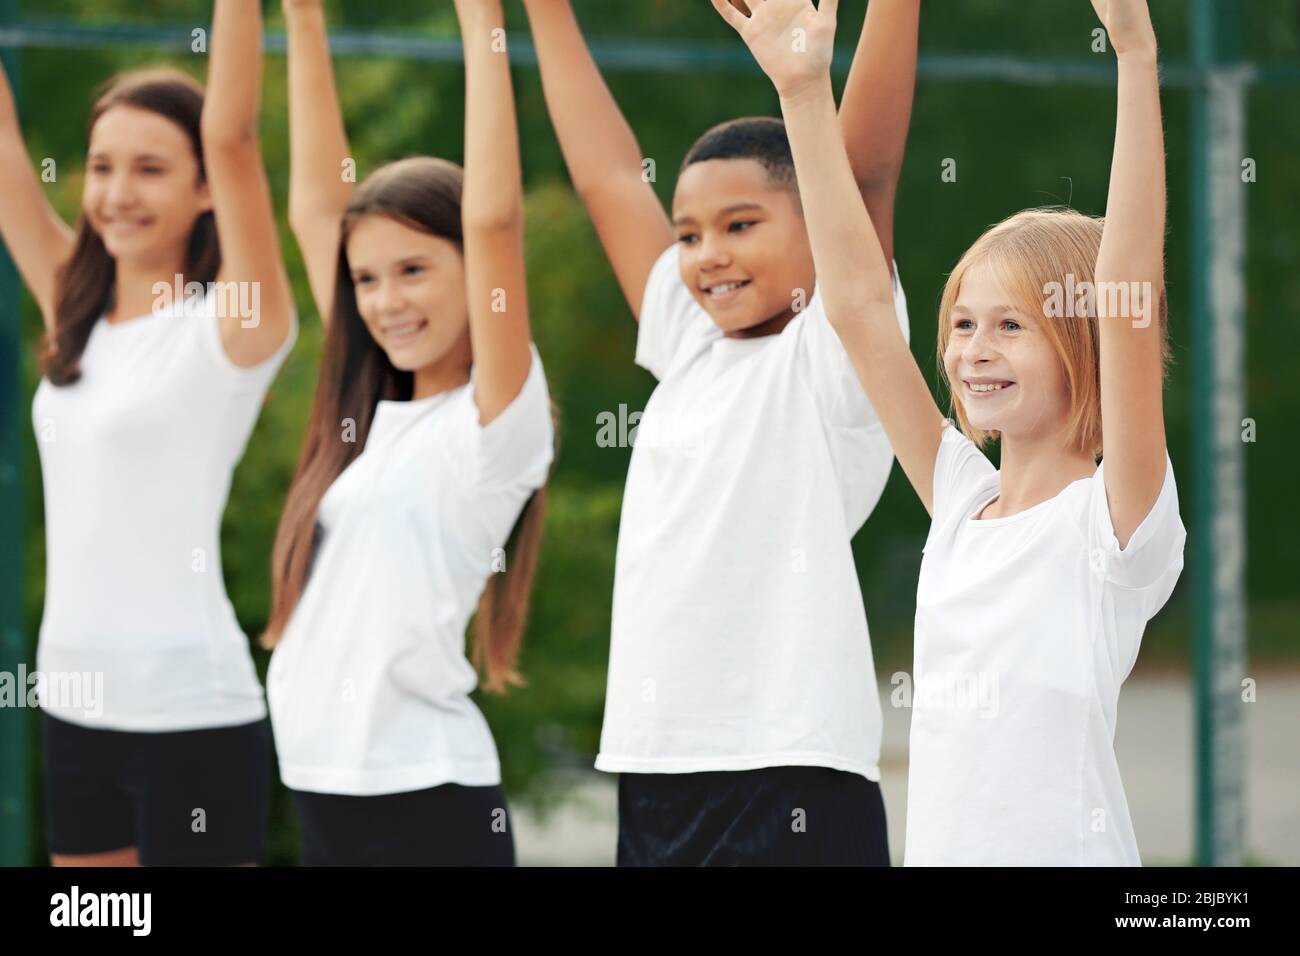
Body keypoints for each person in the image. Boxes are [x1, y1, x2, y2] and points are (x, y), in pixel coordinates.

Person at [713, 0, 1184, 865]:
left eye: (1010, 326)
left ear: (1081, 338)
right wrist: (803, 92)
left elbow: (1126, 289)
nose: (972, 350)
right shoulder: (962, 503)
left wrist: (1134, 53)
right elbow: (855, 303)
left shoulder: (1115, 524)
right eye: (963, 324)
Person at [524, 0, 919, 865]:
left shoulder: (836, 350)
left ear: (820, 226)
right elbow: (606, 177)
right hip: (657, 764)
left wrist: (815, 72)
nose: (707, 254)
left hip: (790, 769)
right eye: (690, 234)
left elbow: (870, 170)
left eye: (741, 225)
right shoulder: (688, 342)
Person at [0, 0, 298, 866]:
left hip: (190, 715)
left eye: (151, 169)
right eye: (101, 167)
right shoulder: (74, 303)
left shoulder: (232, 327)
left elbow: (235, 136)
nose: (117, 193)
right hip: (71, 700)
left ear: (206, 188)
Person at [265, 0, 555, 866]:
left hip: (424, 803)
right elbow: (317, 210)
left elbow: (495, 220)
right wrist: (303, 20)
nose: (386, 301)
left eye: (416, 270)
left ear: (476, 272)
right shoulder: (373, 421)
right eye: (366, 279)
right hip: (325, 788)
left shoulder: (495, 423)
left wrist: (481, 25)